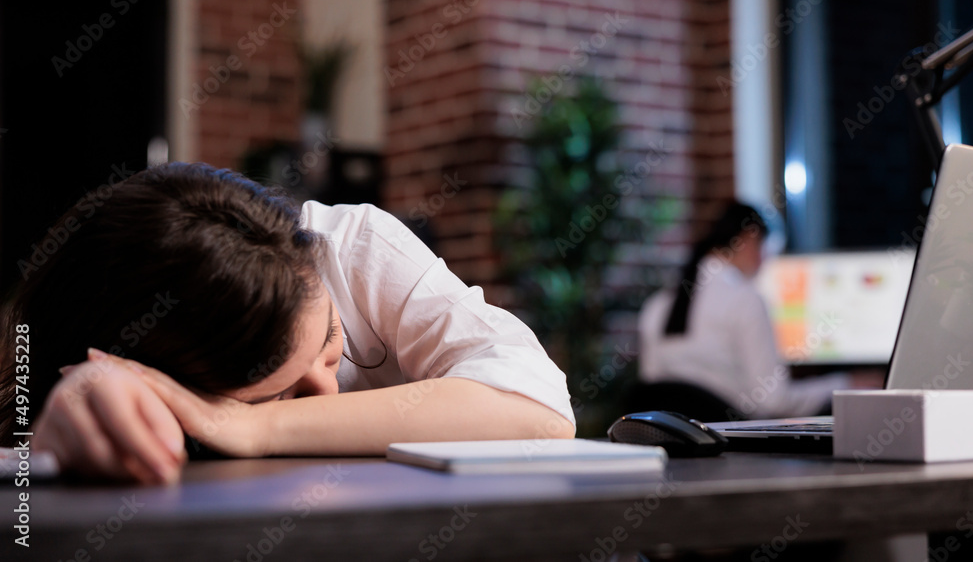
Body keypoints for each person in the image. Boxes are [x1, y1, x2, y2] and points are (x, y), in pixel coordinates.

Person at [0, 162, 575, 484]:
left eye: (329, 342)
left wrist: (259, 426)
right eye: (278, 394)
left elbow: (540, 411)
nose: (325, 391)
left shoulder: (352, 251)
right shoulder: (133, 356)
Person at [636, 201, 856, 420]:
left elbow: (651, 384)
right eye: (767, 251)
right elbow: (774, 401)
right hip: (733, 446)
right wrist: (845, 384)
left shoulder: (656, 305)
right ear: (749, 239)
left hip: (674, 446)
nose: (764, 263)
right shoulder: (745, 300)